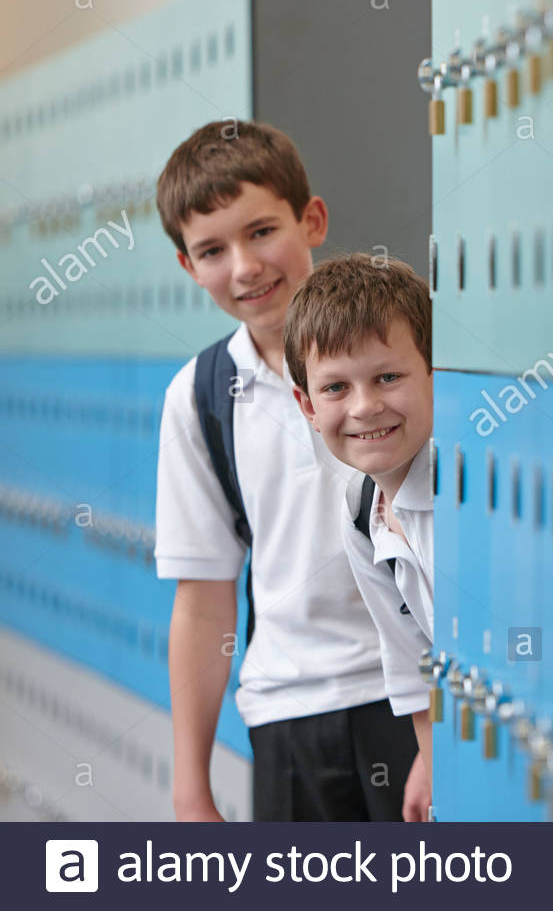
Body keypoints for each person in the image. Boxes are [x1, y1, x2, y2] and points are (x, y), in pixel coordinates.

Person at [153, 120, 428, 821]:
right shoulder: (201, 395)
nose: (244, 266)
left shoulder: (400, 363)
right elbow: (204, 597)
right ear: (188, 266)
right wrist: (191, 784)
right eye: (212, 249)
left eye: (261, 231)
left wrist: (432, 728)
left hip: (410, 702)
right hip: (289, 710)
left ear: (312, 220)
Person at [282, 252, 433, 785]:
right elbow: (410, 654)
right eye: (336, 388)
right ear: (307, 406)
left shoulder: (462, 499)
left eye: (388, 376)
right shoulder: (360, 511)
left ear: (437, 373)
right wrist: (431, 763)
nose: (365, 407)